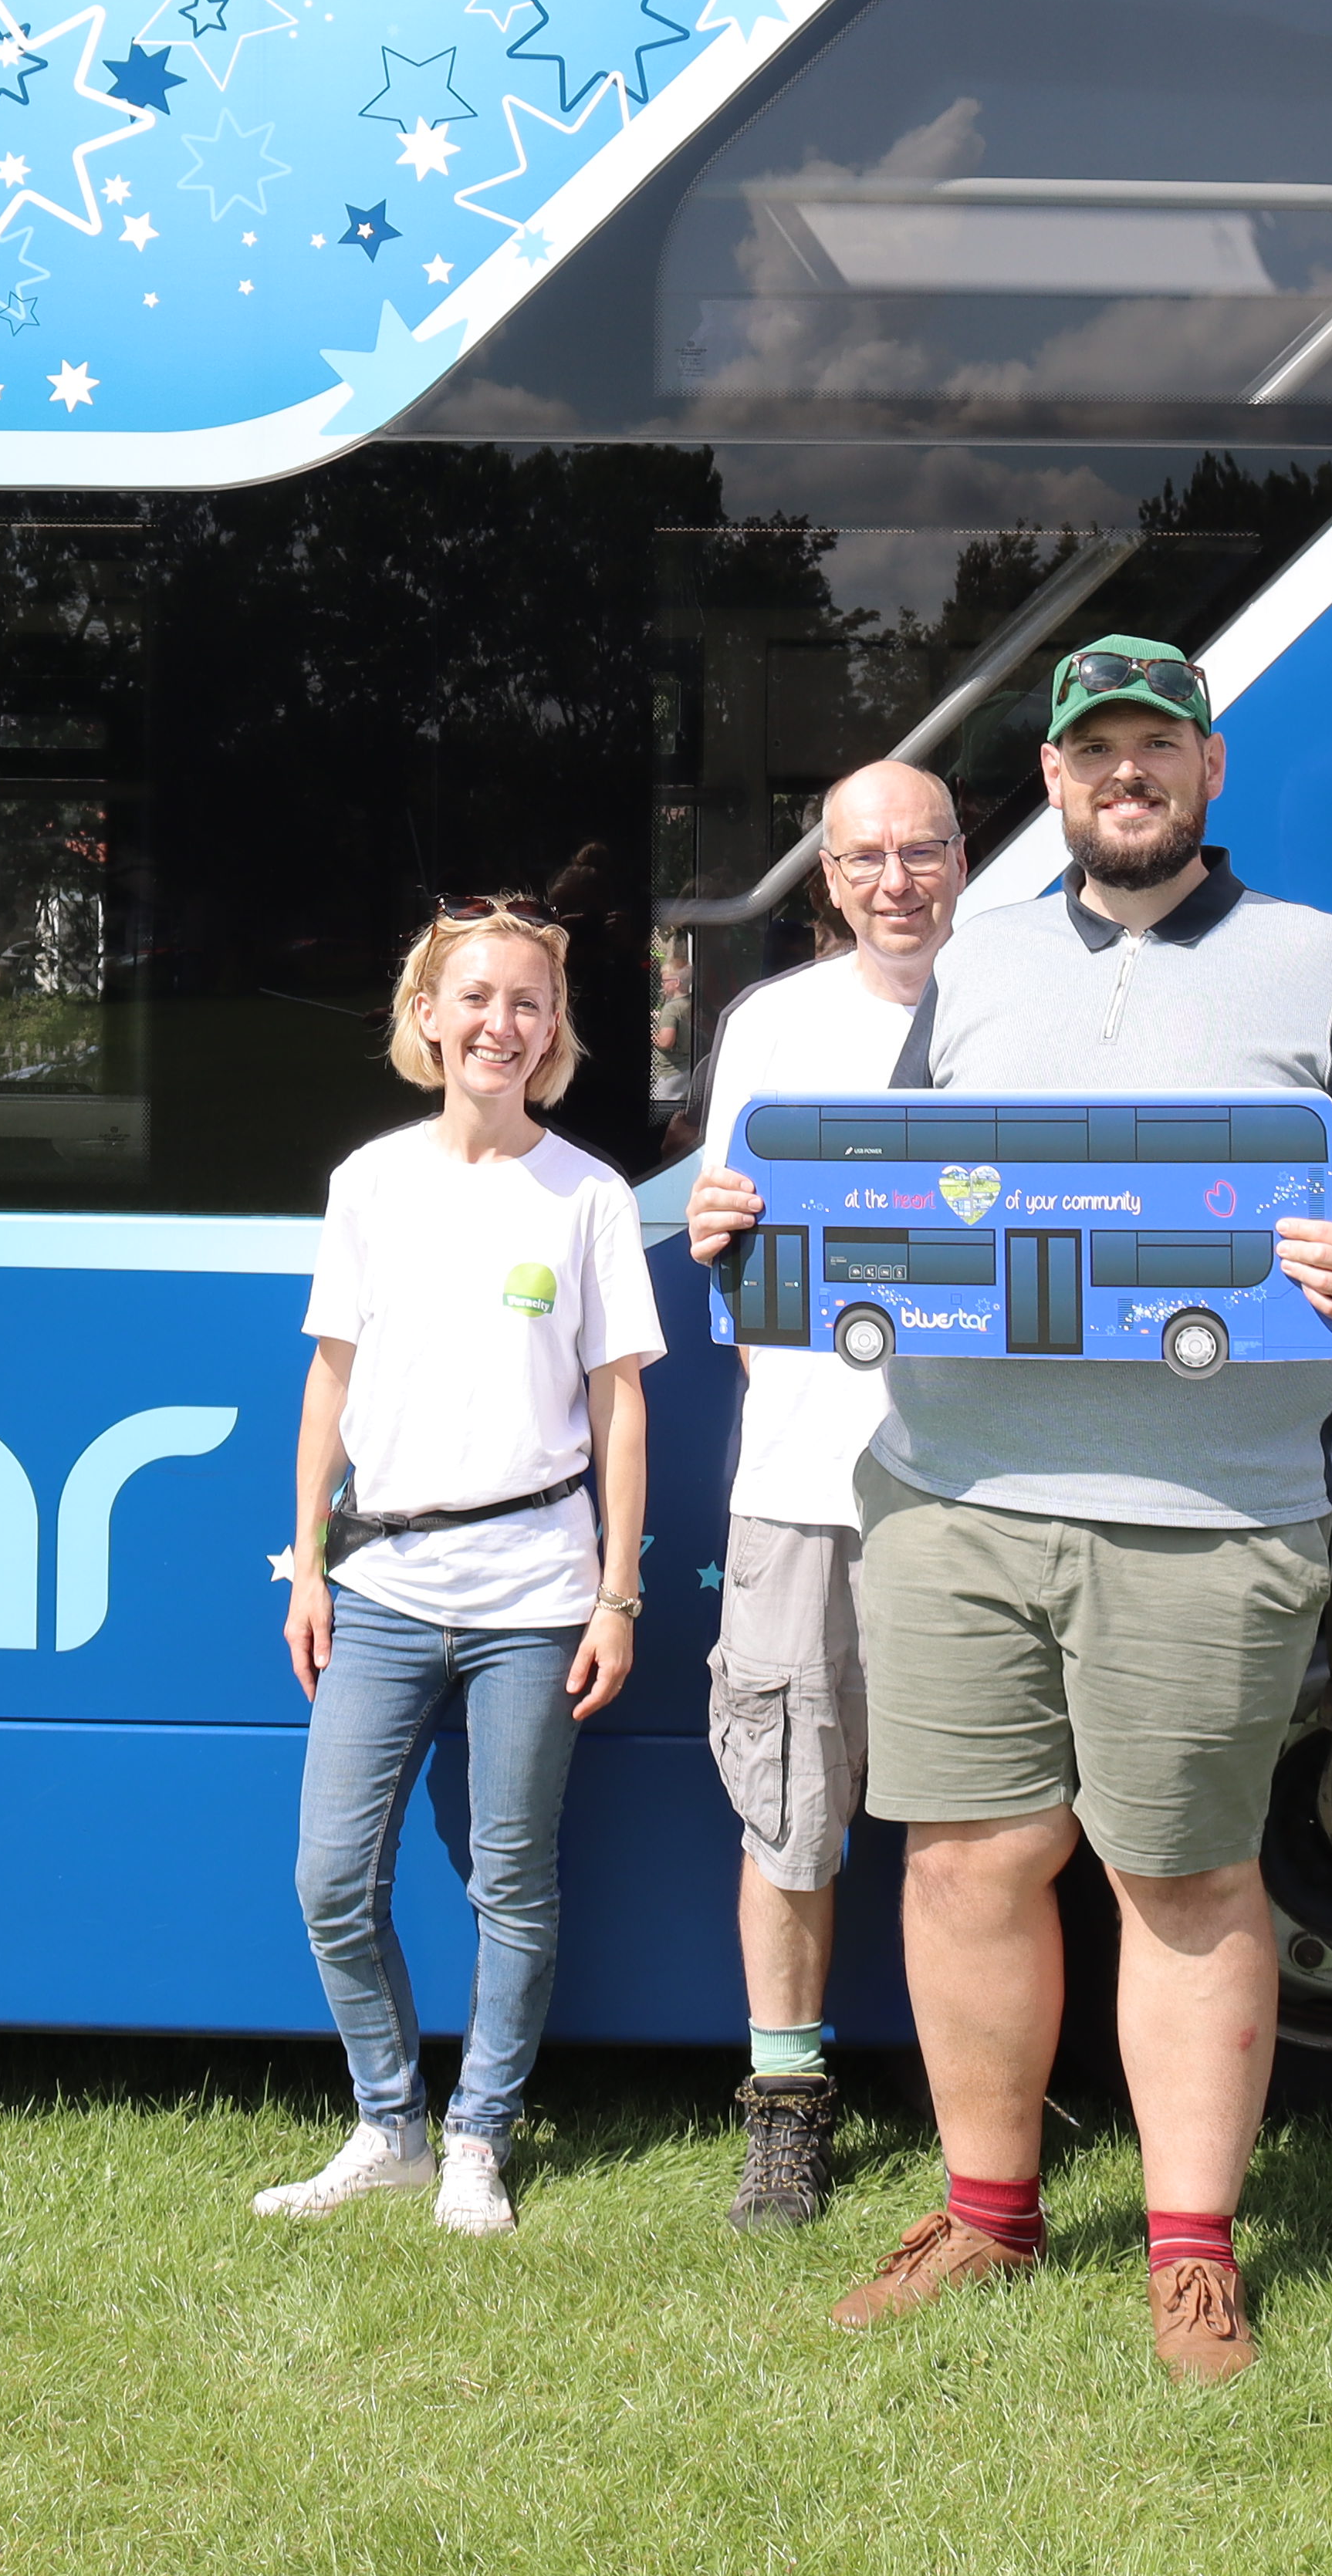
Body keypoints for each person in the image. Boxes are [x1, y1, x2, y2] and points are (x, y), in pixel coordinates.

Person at [827, 640, 1332, 2385]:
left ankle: (1190, 2254)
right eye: (1092, 747)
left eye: (1155, 745)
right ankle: (987, 2207)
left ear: (1206, 766)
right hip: (951, 1496)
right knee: (966, 1858)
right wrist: (771, 1216)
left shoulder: (1315, 960)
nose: (1125, 772)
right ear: (1051, 779)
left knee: (1183, 1873)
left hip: (1210, 1512)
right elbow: (885, 1195)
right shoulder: (967, 962)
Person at [252, 896, 659, 2240]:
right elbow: (330, 1384)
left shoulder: (591, 1195)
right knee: (329, 1878)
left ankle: (479, 2133)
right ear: (426, 1015)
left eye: (529, 1002)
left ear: (558, 1029)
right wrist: (308, 1566)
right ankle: (389, 2127)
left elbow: (619, 1406)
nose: (503, 1024)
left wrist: (616, 1594)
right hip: (377, 1590)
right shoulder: (370, 1181)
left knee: (512, 1882)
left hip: (536, 1599)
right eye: (476, 998)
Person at [680, 759, 968, 2232]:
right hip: (804, 1479)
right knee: (789, 1812)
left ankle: (985, 2118)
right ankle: (786, 2110)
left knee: (990, 1823)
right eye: (867, 858)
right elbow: (732, 1238)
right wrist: (717, 1225)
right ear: (829, 878)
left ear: (965, 860)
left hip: (984, 1480)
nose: (896, 880)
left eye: (923, 851)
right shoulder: (772, 1027)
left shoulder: (1019, 1009)